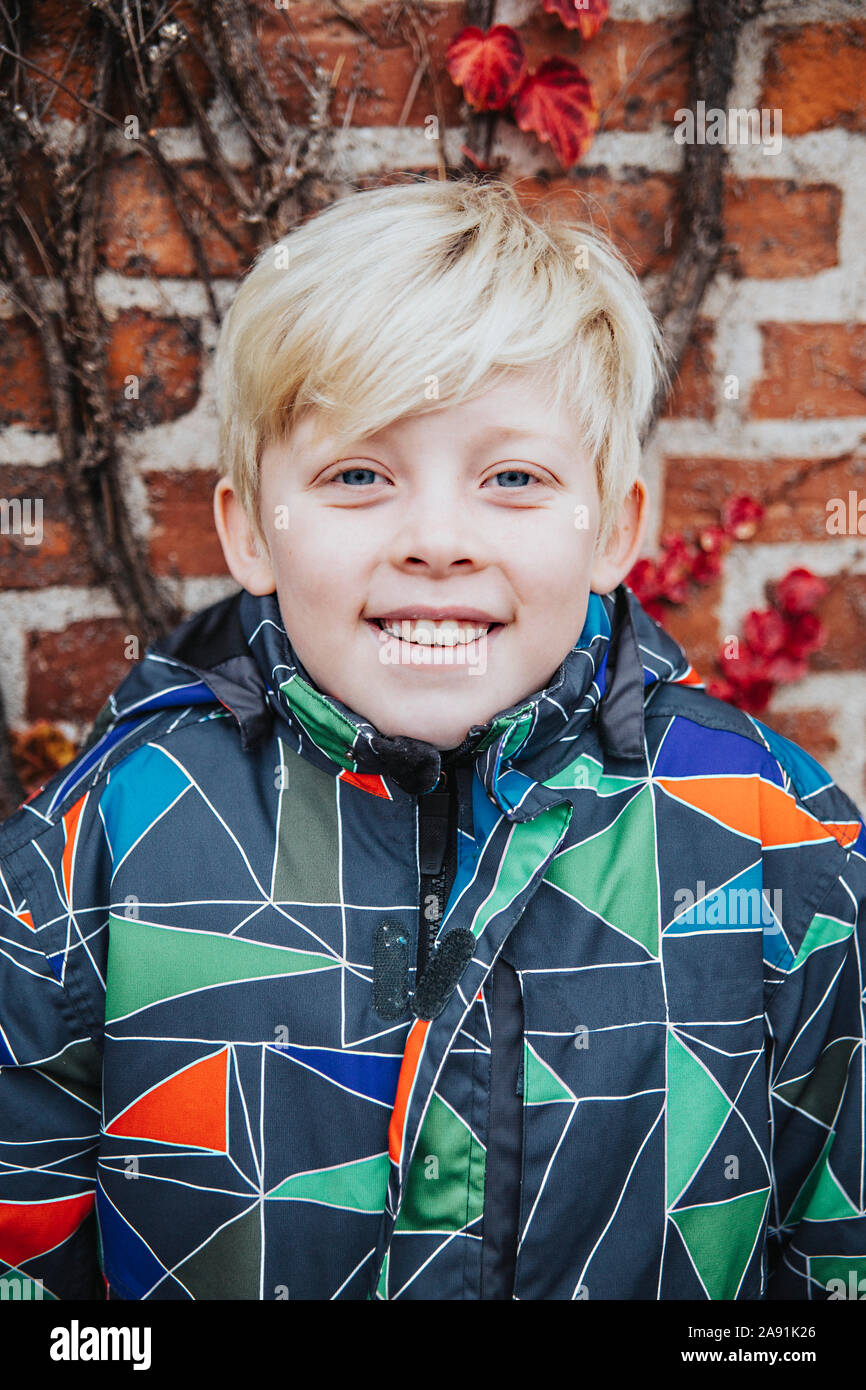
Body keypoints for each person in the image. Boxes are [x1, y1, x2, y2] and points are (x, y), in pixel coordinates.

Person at [1, 177, 864, 1301]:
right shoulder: (97, 853)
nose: (438, 540)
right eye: (358, 473)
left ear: (612, 527)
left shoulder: (777, 846)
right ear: (248, 530)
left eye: (512, 477)